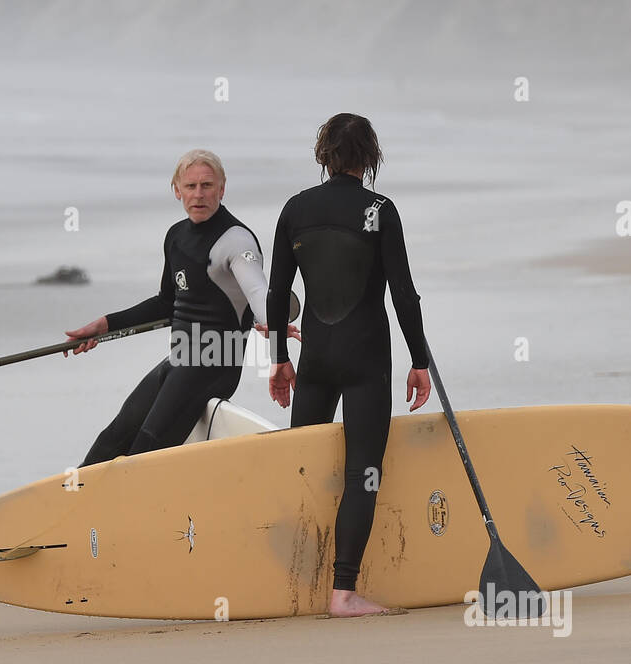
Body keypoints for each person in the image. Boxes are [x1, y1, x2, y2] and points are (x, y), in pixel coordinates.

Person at [266, 114, 432, 618]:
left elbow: (277, 292)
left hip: (313, 360)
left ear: (323, 154)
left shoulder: (296, 209)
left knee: (308, 470)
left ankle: (292, 581)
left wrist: (279, 359)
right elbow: (403, 291)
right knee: (364, 472)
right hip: (366, 360)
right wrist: (419, 360)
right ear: (369, 157)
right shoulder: (380, 210)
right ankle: (343, 593)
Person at [66, 149, 298, 466]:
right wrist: (105, 325)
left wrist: (272, 322)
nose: (198, 194)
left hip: (215, 363)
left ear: (222, 188)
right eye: (190, 186)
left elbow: (258, 292)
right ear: (177, 190)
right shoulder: (176, 236)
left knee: (144, 452)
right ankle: (71, 508)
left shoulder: (236, 241)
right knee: (112, 439)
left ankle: (121, 511)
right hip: (180, 360)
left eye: (207, 185)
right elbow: (167, 302)